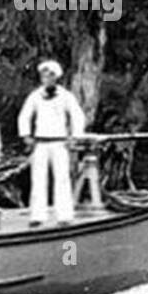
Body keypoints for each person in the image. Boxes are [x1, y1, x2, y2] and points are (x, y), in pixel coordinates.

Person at [17, 59, 86, 226]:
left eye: (49, 76)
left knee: (62, 178)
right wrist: (26, 134)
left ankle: (64, 215)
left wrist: (75, 136)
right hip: (40, 143)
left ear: (55, 77)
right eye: (43, 76)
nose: (45, 79)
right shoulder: (35, 96)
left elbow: (77, 115)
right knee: (38, 179)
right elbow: (24, 115)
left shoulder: (65, 96)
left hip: (59, 143)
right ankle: (37, 215)